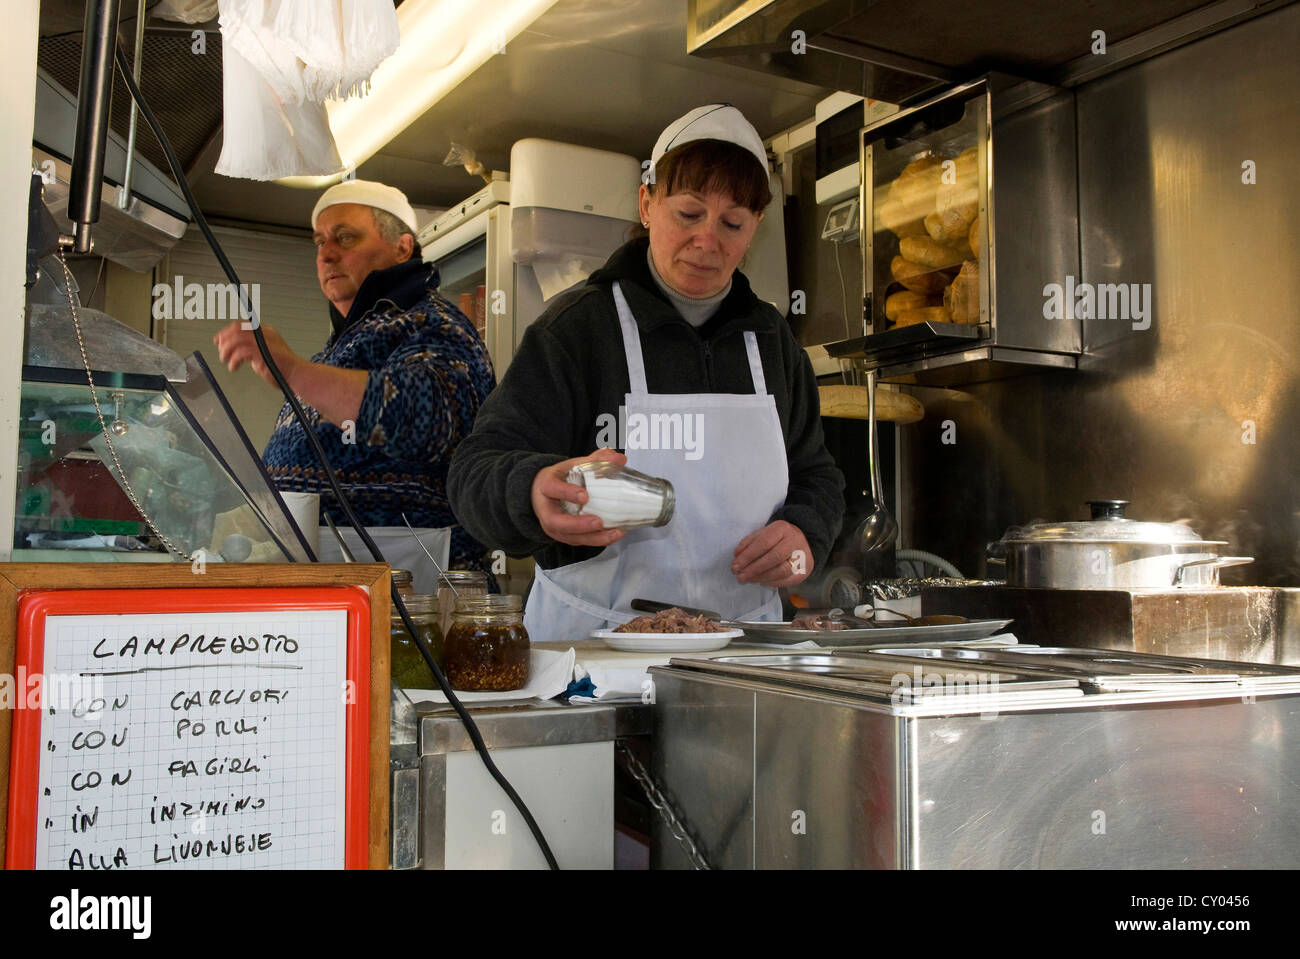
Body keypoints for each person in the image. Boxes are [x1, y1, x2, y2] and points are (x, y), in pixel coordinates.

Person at [447, 105, 844, 641]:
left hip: (743, 653)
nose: (708, 240)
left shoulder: (772, 343)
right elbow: (474, 470)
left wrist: (804, 532)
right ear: (647, 204)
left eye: (732, 224)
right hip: (595, 649)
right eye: (688, 214)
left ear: (754, 231)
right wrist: (531, 489)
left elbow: (818, 475)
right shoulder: (577, 330)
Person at [214, 179, 496, 577]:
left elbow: (421, 418)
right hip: (336, 589)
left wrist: (294, 371)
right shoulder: (333, 351)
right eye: (319, 242)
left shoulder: (433, 324)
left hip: (414, 599)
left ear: (402, 246)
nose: (326, 255)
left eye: (345, 238)